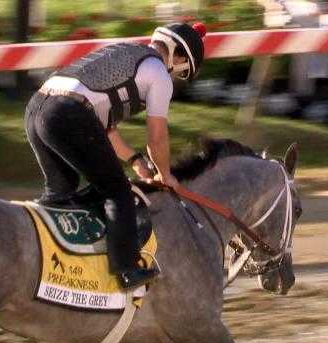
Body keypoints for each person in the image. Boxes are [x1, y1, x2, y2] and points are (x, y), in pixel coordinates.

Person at [25, 21, 207, 290]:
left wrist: (135, 160)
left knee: (61, 192)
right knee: (118, 191)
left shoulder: (125, 50)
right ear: (179, 55)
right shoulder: (158, 73)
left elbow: (105, 129)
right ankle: (127, 270)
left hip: (37, 108)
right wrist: (165, 174)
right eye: (182, 69)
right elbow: (157, 138)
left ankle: (51, 268)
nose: (177, 74)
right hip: (67, 114)